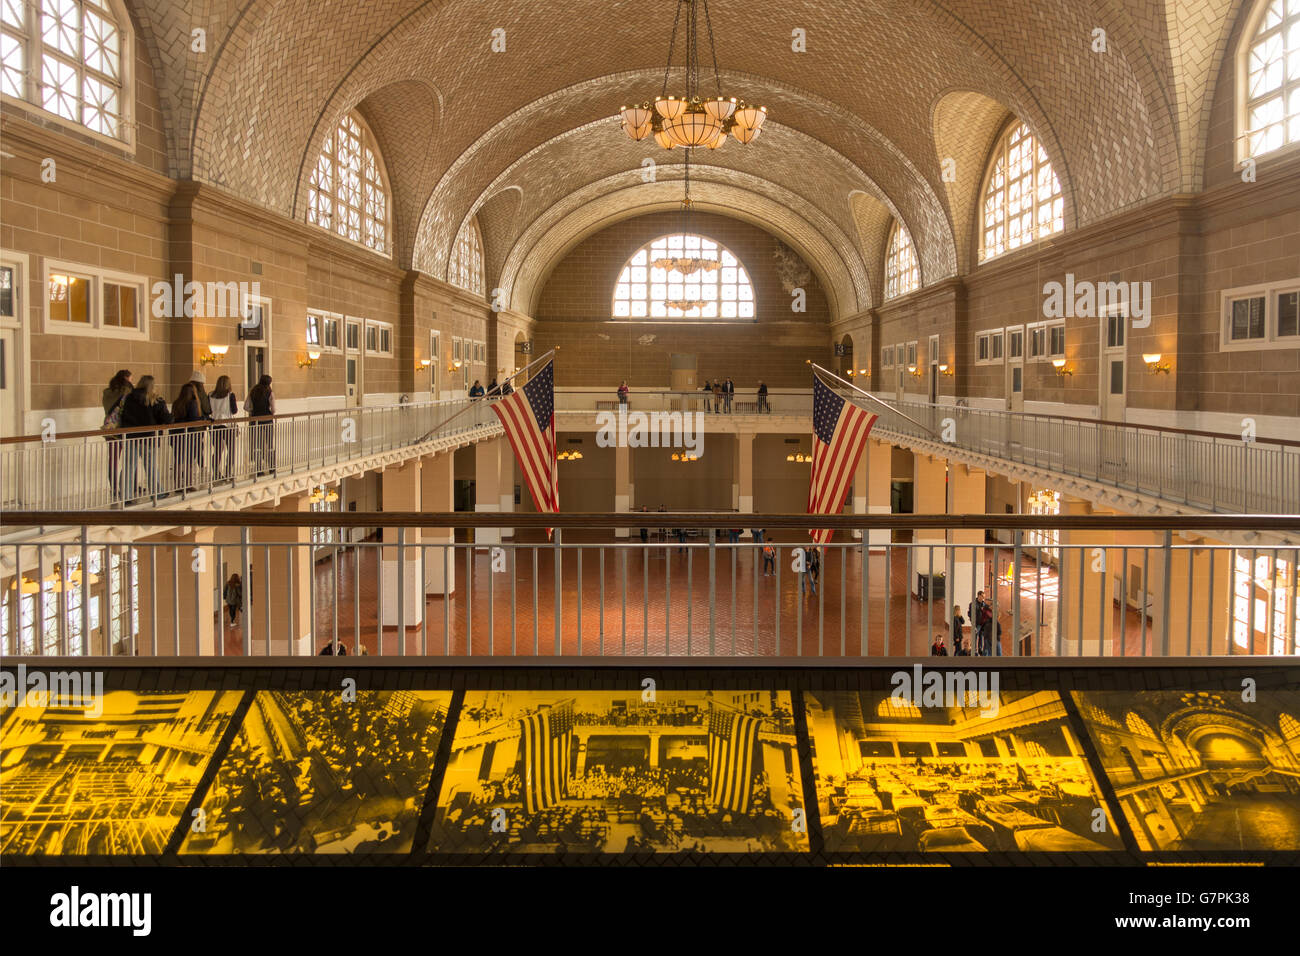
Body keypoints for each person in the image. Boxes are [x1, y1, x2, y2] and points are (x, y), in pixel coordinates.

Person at [119, 375, 172, 500]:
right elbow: (166, 418)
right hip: (148, 437)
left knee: (129, 466)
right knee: (151, 465)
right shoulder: (155, 399)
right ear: (152, 386)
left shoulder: (129, 398)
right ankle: (157, 492)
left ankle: (126, 496)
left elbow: (124, 416)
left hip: (131, 436)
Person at [101, 369, 133, 499]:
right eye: (131, 379)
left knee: (113, 460)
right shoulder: (126, 391)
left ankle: (114, 487)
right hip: (123, 427)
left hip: (109, 427)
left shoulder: (108, 393)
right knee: (131, 458)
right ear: (126, 378)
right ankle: (131, 485)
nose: (132, 381)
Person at [171, 382, 204, 491]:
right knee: (190, 460)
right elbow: (193, 419)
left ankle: (177, 484)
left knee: (178, 460)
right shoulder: (193, 403)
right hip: (190, 434)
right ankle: (189, 484)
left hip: (177, 434)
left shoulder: (176, 403)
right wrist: (203, 419)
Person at [245, 374, 276, 477]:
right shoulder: (270, 392)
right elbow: (273, 409)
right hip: (267, 420)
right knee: (269, 444)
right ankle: (271, 467)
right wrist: (270, 413)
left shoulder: (253, 391)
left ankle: (259, 469)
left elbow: (246, 407)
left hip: (255, 420)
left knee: (257, 445)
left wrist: (253, 411)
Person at [209, 375, 239, 481]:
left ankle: (216, 472)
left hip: (214, 424)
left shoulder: (210, 395)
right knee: (230, 449)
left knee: (217, 450)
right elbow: (234, 410)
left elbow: (208, 410)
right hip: (227, 424)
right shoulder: (230, 395)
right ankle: (228, 472)